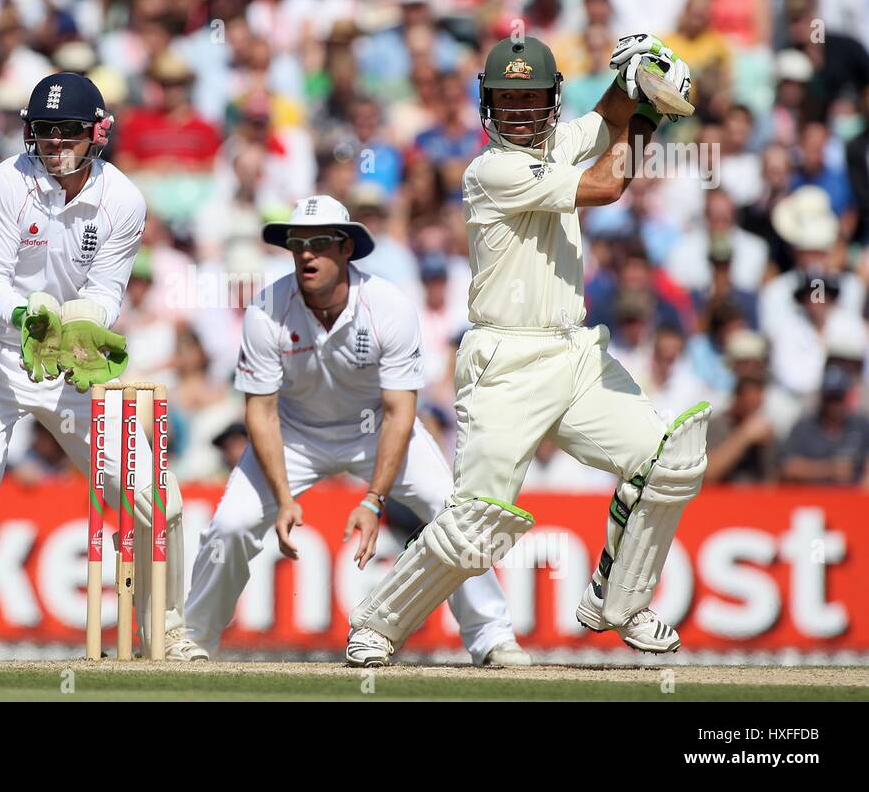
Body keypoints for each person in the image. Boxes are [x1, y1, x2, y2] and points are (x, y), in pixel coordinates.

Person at [346, 32, 705, 666]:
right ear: (488, 104)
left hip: (576, 352)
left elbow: (605, 119)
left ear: (550, 100)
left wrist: (634, 84)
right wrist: (650, 115)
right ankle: (378, 623)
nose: (518, 110)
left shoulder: (558, 141)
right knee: (479, 525)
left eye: (531, 97)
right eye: (507, 99)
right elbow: (605, 185)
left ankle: (620, 600)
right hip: (506, 362)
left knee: (669, 460)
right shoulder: (492, 169)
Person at [0, 72, 191, 661]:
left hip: (70, 359)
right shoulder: (2, 185)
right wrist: (26, 316)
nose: (55, 141)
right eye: (45, 130)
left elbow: (109, 290)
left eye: (69, 131)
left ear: (96, 134)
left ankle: (166, 628)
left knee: (153, 491)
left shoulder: (124, 200)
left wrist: (84, 327)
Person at [182, 195, 529, 667]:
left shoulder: (387, 306)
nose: (306, 254)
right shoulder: (266, 310)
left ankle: (491, 636)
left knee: (452, 512)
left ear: (347, 249)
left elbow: (400, 411)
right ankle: (195, 641)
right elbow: (260, 414)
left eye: (320, 243)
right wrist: (284, 498)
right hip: (294, 435)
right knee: (229, 526)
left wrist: (373, 499)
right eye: (297, 244)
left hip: (375, 429)